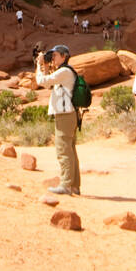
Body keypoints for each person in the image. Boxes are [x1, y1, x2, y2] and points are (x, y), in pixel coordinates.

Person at [36, 45, 80, 196]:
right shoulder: (64, 72)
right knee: (70, 150)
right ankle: (74, 185)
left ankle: (66, 185)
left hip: (65, 115)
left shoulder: (64, 71)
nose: (52, 58)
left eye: (54, 56)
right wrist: (46, 66)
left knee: (63, 150)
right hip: (68, 114)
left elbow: (42, 81)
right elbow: (50, 84)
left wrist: (38, 65)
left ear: (64, 56)